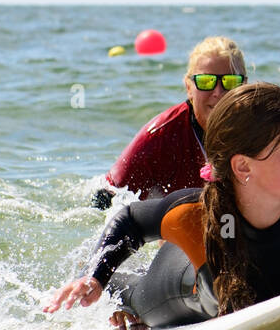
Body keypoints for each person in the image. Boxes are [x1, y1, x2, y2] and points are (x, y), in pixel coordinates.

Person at [47, 83, 280, 330]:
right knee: (129, 290)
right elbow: (129, 220)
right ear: (242, 167)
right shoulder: (194, 215)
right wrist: (95, 279)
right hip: (164, 299)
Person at [92, 36, 248, 208]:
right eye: (206, 81)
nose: (218, 92)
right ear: (189, 88)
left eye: (231, 82)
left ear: (244, 86)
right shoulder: (160, 136)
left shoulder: (261, 131)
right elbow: (106, 197)